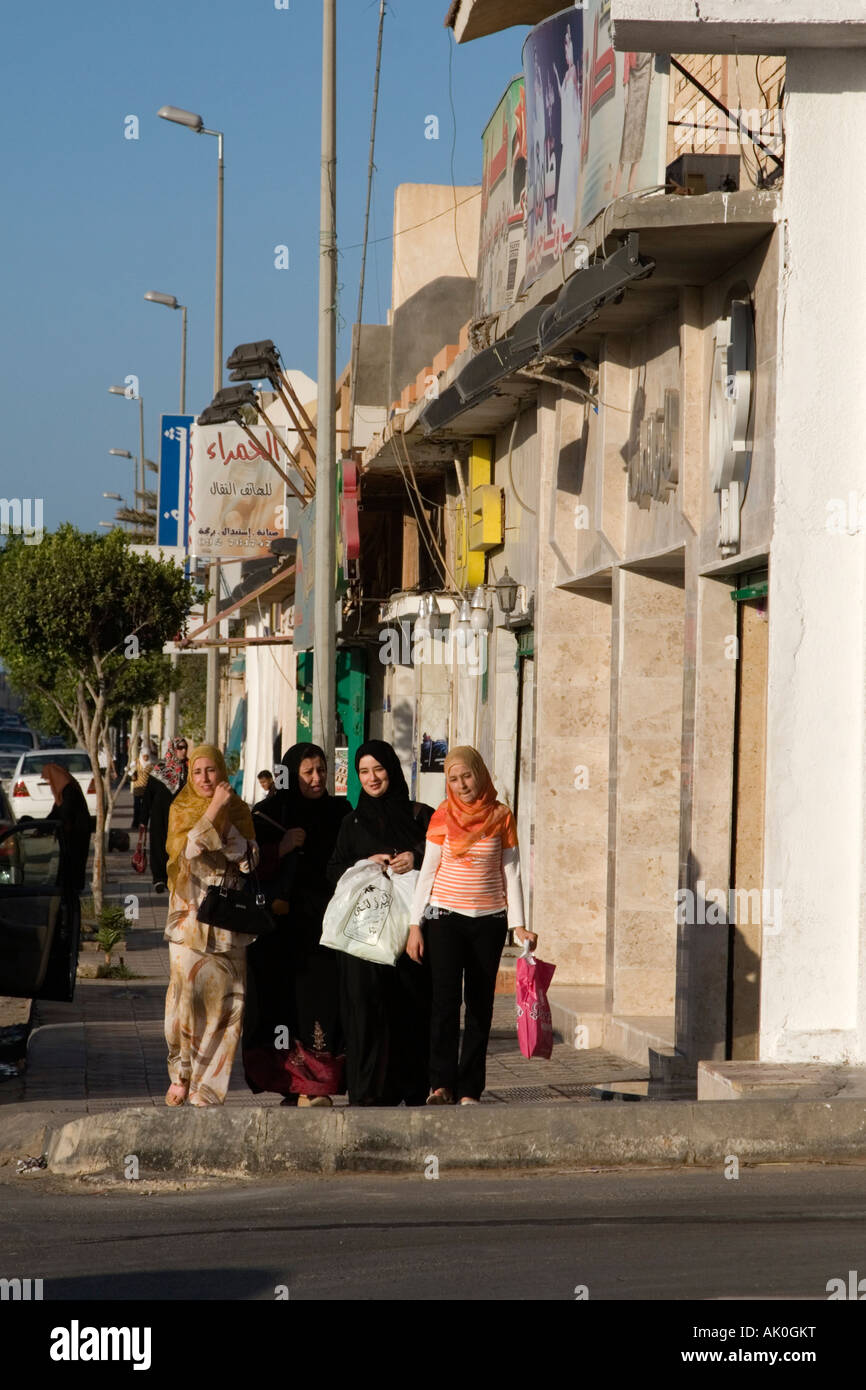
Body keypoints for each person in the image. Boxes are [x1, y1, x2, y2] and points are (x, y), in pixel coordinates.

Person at [407, 746, 537, 1106]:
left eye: (467, 776)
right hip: (444, 921)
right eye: (454, 778)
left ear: (480, 774)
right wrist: (415, 925)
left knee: (480, 1007)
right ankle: (440, 1085)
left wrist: (519, 925)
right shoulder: (442, 816)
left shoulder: (501, 816)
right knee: (444, 1003)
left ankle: (469, 1089)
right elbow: (428, 872)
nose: (462, 784)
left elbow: (511, 872)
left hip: (489, 923)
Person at [326, 740, 434, 1107]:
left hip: (409, 934)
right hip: (363, 938)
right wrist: (364, 864)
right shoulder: (351, 822)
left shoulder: (421, 816)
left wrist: (415, 857)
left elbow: (445, 858)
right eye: (364, 771)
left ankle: (413, 1088)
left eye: (379, 769)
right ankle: (367, 1091)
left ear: (392, 769)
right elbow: (333, 871)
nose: (372, 778)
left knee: (409, 1007)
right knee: (364, 1009)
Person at [243, 743, 351, 1107]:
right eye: (308, 772)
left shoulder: (340, 812)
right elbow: (245, 867)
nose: (317, 778)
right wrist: (282, 847)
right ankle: (290, 1085)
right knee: (280, 1007)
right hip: (276, 933)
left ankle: (317, 1085)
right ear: (291, 774)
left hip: (324, 929)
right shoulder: (268, 814)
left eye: (322, 770)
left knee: (320, 1004)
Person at [162, 743, 258, 1108]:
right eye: (198, 772)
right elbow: (188, 850)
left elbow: (249, 861)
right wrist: (214, 808)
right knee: (184, 1004)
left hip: (228, 921)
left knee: (226, 1005)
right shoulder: (181, 808)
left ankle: (207, 1088)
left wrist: (226, 819)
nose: (204, 778)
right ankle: (181, 1072)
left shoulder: (240, 810)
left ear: (222, 773)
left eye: (211, 771)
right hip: (187, 920)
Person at [143, 736, 189, 894]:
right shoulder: (159, 770)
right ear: (173, 750)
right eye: (180, 748)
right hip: (160, 816)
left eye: (185, 747)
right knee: (159, 845)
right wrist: (143, 820)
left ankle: (174, 877)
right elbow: (148, 796)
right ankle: (159, 878)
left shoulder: (190, 770)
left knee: (179, 847)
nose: (183, 751)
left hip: (181, 817)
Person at [129, 744, 152, 829]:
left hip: (146, 789)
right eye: (144, 756)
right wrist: (132, 774)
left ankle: (144, 824)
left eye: (147, 756)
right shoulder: (136, 762)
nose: (145, 758)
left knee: (146, 808)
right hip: (137, 788)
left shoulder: (151, 765)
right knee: (137, 807)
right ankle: (135, 823)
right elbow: (129, 771)